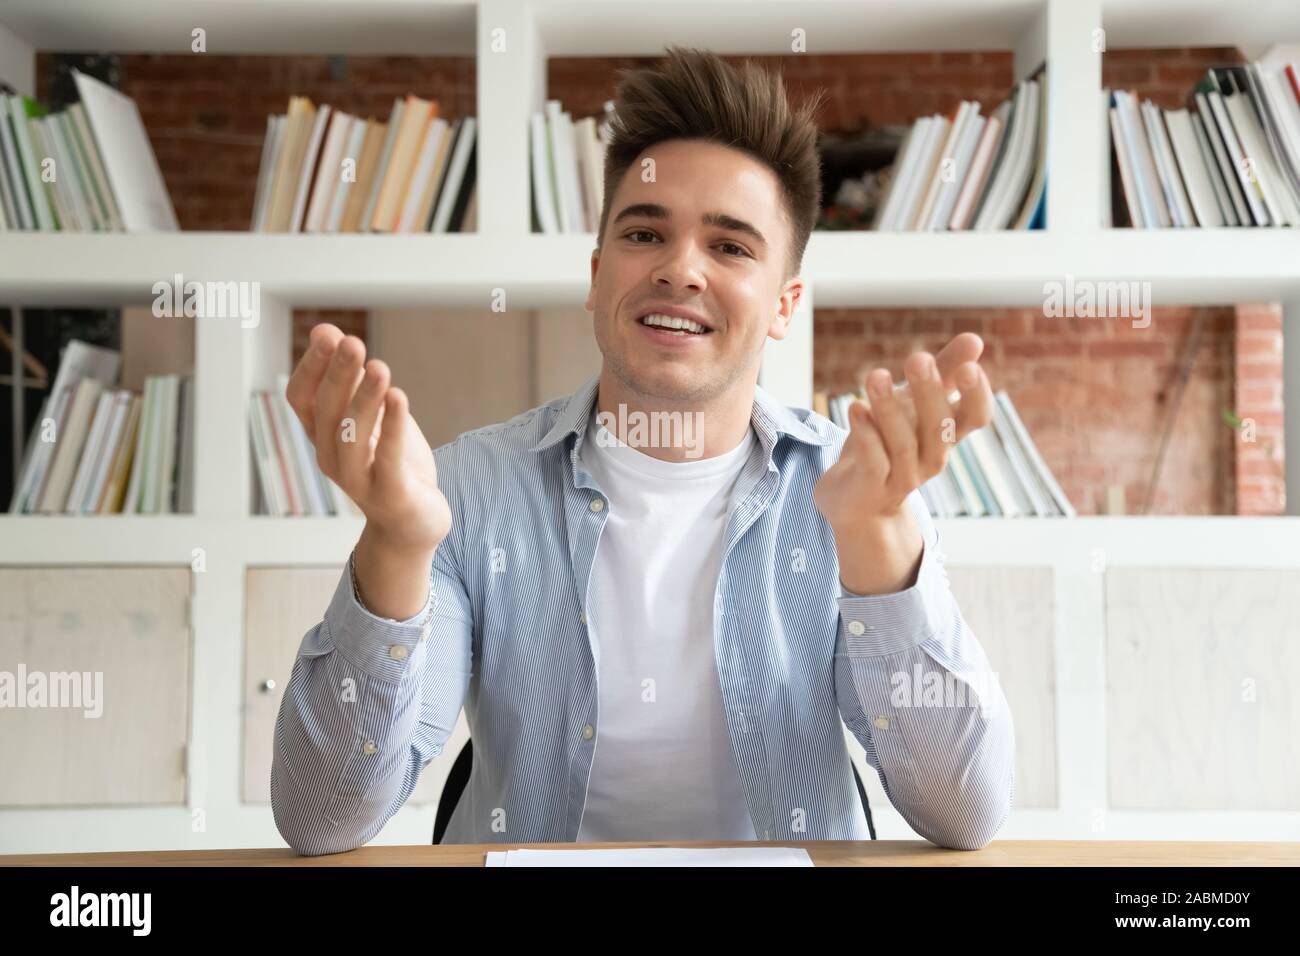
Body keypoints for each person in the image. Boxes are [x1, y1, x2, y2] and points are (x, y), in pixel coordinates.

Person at [271, 46, 1015, 856]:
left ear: (783, 304)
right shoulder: (468, 493)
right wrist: (397, 544)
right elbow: (320, 823)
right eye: (645, 232)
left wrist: (876, 539)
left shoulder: (860, 486)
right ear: (597, 277)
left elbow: (965, 815)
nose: (680, 269)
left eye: (731, 247)